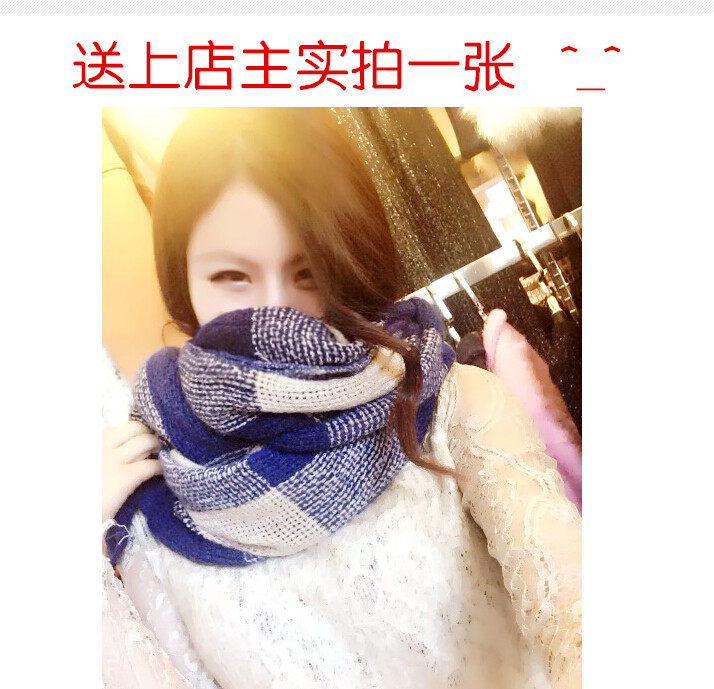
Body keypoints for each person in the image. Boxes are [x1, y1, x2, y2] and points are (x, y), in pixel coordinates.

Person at [102, 107, 582, 689]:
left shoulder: (451, 405)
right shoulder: (154, 488)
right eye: (231, 276)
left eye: (308, 272)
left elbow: (575, 615)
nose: (276, 308)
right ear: (183, 279)